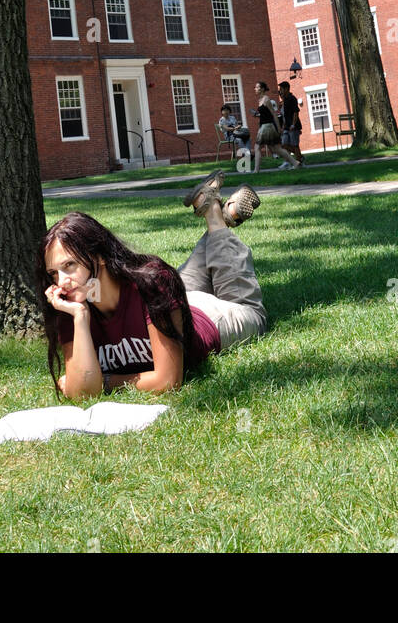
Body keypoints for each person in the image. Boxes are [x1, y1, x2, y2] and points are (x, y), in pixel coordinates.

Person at [39, 172, 266, 398]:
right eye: (53, 273)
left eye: (69, 265)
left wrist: (104, 381)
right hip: (171, 302)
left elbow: (166, 381)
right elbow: (82, 394)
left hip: (209, 317)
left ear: (100, 256)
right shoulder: (70, 307)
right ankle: (218, 216)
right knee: (174, 283)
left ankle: (215, 216)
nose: (61, 281)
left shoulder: (153, 284)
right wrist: (79, 316)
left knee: (251, 311)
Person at [250, 81, 301, 173]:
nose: (255, 89)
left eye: (257, 87)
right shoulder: (260, 100)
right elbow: (266, 115)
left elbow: (273, 114)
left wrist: (279, 128)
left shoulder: (266, 99)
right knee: (277, 149)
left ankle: (256, 170)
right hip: (265, 126)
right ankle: (295, 162)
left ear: (262, 89)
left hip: (267, 127)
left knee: (257, 147)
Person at [277, 81, 305, 164]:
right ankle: (300, 157)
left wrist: (293, 124)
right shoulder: (285, 100)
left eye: (281, 89)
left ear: (286, 89)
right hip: (286, 127)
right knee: (284, 145)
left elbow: (296, 112)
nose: (280, 91)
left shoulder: (292, 98)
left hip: (293, 126)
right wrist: (283, 126)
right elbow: (285, 116)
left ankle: (299, 161)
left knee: (295, 145)